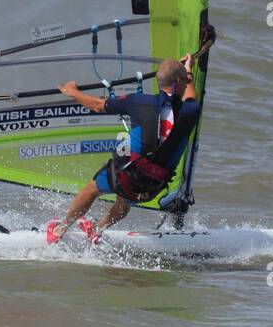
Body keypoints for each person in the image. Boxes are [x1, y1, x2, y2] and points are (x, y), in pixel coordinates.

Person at [46, 54, 200, 244]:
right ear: (179, 81)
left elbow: (97, 106)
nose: (186, 83)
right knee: (124, 201)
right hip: (150, 188)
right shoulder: (190, 112)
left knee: (91, 190)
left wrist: (73, 92)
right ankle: (97, 229)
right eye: (184, 80)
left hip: (125, 176)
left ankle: (61, 229)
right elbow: (190, 94)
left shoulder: (138, 101)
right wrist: (189, 69)